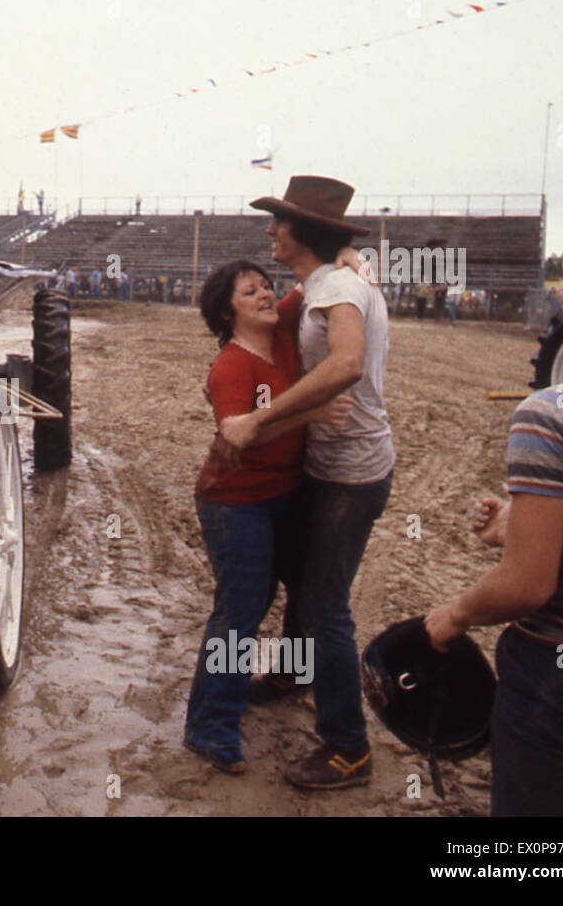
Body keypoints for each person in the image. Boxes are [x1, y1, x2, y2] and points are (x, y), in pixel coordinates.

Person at [426, 220, 563, 817]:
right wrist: (528, 521)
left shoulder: (554, 413)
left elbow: (529, 584)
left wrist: (452, 617)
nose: (560, 291)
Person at [220, 176, 392, 790]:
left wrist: (262, 417)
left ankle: (349, 748)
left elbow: (346, 364)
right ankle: (296, 674)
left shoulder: (340, 287)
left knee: (325, 607)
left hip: (351, 472)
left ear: (302, 233)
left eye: (278, 223)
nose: (270, 231)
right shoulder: (326, 282)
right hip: (327, 467)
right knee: (304, 585)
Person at [186, 260, 348, 773]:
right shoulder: (231, 366)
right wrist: (311, 412)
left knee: (301, 597)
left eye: (264, 286)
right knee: (240, 614)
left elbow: (318, 272)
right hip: (235, 503)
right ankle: (209, 727)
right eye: (248, 291)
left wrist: (350, 258)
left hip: (286, 493)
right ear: (226, 311)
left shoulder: (280, 331)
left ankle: (286, 678)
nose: (263, 294)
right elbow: (239, 434)